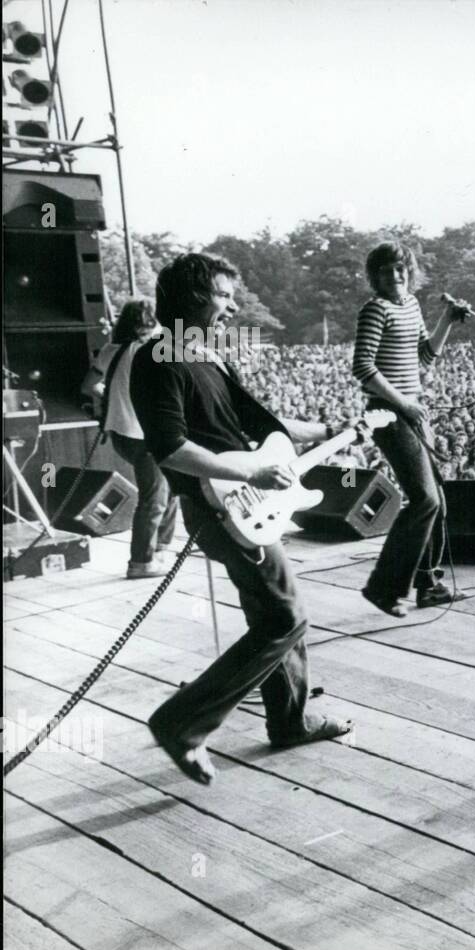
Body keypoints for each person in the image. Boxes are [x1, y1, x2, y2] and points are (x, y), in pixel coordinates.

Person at [130, 253, 353, 785]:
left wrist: (329, 431)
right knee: (285, 618)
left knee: (276, 611)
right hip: (220, 508)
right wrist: (250, 474)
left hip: (240, 506)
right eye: (225, 295)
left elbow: (261, 423)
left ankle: (290, 720)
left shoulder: (206, 355)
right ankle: (181, 721)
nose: (233, 306)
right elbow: (171, 450)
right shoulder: (158, 358)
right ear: (192, 298)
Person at [350, 242, 469, 616]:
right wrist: (404, 404)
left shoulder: (411, 306)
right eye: (387, 271)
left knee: (438, 498)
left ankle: (428, 583)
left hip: (412, 411)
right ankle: (384, 588)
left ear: (410, 272)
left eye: (401, 268)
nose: (396, 275)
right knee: (424, 499)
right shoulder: (375, 310)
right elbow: (363, 368)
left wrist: (446, 322)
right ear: (375, 277)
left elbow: (423, 356)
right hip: (390, 413)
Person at [91, 299, 179, 578]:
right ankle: (141, 562)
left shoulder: (110, 350)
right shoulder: (152, 351)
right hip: (146, 436)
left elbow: (89, 385)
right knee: (154, 498)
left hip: (121, 434)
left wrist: (114, 401)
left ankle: (160, 549)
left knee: (172, 486)